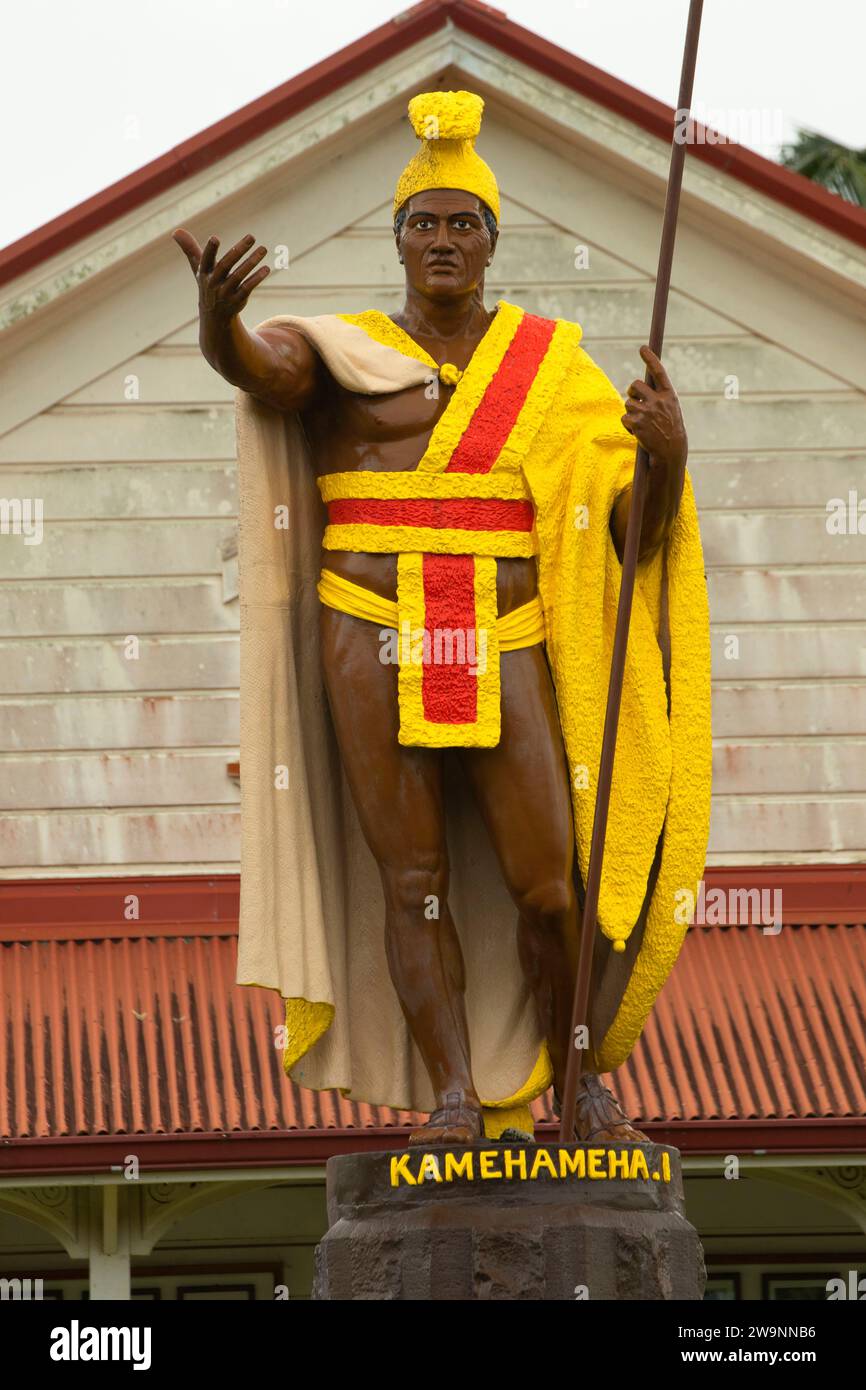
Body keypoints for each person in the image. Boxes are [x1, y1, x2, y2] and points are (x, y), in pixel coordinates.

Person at [174, 90, 711, 1146]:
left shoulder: (551, 368)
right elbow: (260, 368)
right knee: (411, 880)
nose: (443, 240)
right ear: (399, 241)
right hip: (370, 628)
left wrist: (667, 455)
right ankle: (453, 1094)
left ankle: (580, 1086)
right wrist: (216, 323)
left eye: (464, 223)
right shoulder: (344, 353)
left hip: (503, 635)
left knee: (549, 882)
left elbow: (627, 535)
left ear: (491, 242)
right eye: (424, 223)